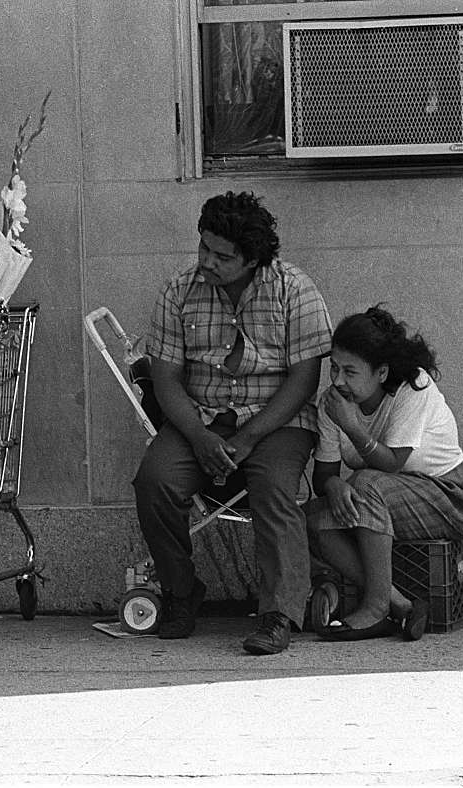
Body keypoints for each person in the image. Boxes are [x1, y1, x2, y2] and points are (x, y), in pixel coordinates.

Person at [134, 191, 332, 653]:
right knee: (154, 480)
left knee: (275, 489)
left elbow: (304, 381)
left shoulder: (294, 289)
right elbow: (166, 380)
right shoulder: (179, 289)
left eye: (222, 256)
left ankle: (279, 614)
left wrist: (249, 437)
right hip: (199, 417)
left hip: (277, 420)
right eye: (204, 248)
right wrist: (200, 436)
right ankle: (181, 592)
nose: (208, 261)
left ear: (253, 259)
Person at [306, 306, 463, 641]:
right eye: (334, 369)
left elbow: (391, 463)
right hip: (388, 498)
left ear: (381, 372)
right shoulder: (332, 402)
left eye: (350, 372)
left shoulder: (414, 387)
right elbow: (322, 475)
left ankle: (375, 608)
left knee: (366, 482)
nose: (338, 381)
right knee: (314, 517)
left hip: (450, 497)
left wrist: (351, 425)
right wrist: (332, 486)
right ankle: (402, 605)